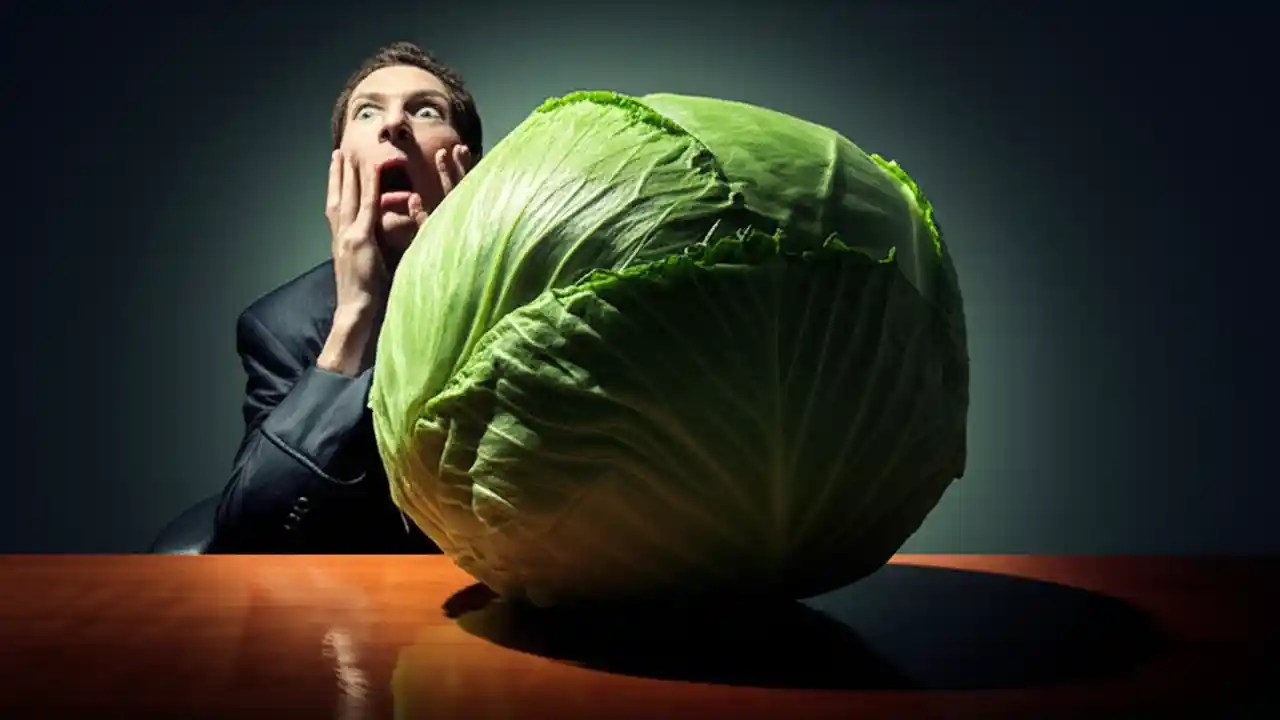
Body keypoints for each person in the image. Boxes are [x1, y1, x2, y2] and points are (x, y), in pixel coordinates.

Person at [207, 41, 483, 553]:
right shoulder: (280, 325)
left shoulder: (538, 296)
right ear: (339, 170)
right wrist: (354, 320)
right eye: (368, 110)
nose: (394, 124)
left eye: (425, 110)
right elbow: (246, 534)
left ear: (468, 165)